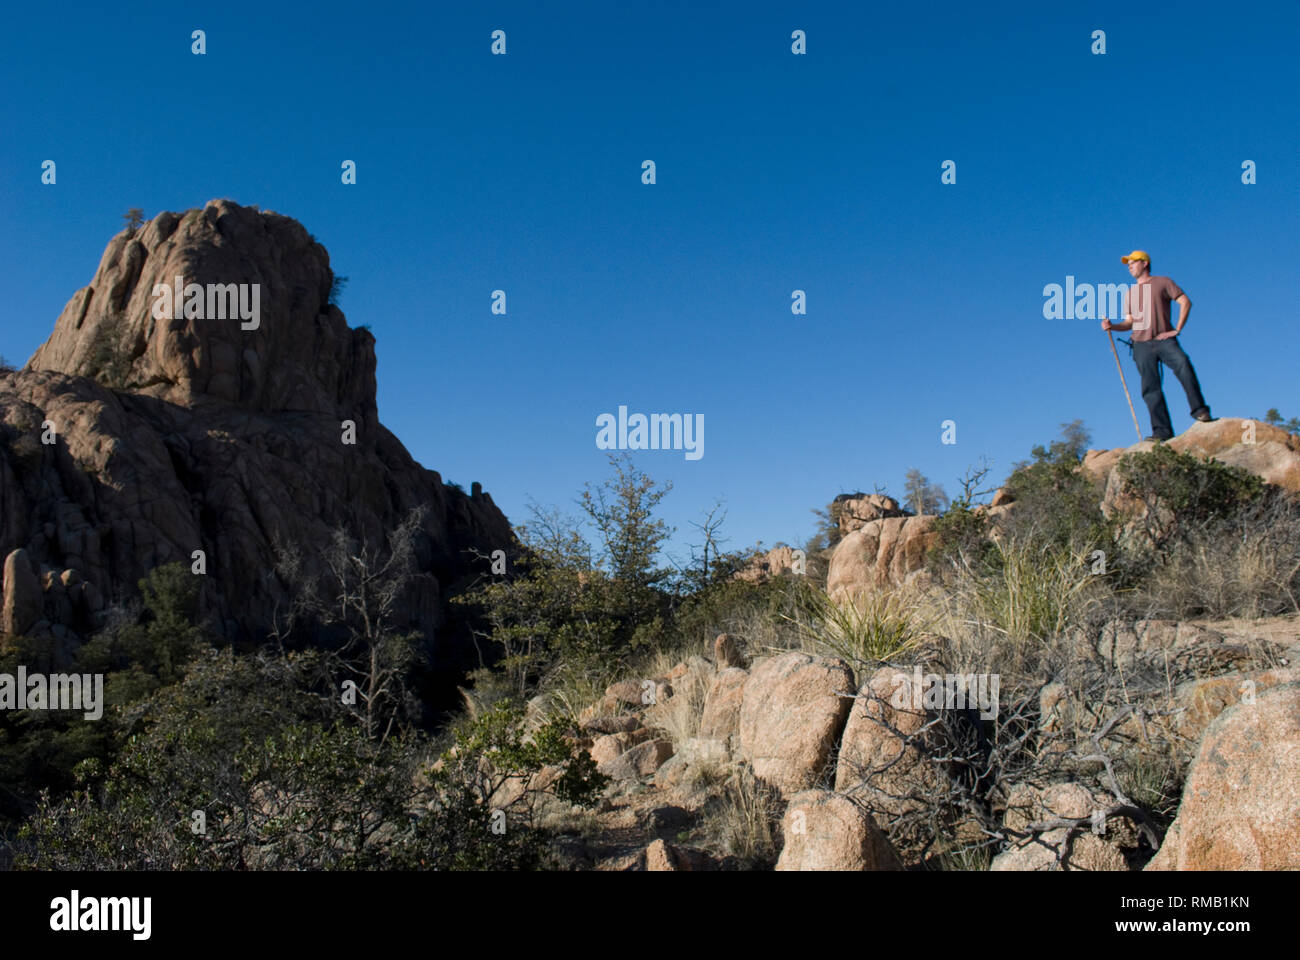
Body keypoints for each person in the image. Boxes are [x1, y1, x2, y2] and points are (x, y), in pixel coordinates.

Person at [1101, 250, 1212, 441]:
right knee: (1150, 388)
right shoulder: (1130, 294)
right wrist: (1113, 326)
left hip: (1164, 339)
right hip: (1140, 344)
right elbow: (1129, 322)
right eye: (1128, 263)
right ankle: (1162, 432)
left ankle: (1200, 411)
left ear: (1145, 263)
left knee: (1183, 364)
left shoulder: (1163, 282)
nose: (1129, 266)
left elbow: (1185, 302)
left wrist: (1177, 328)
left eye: (1133, 262)